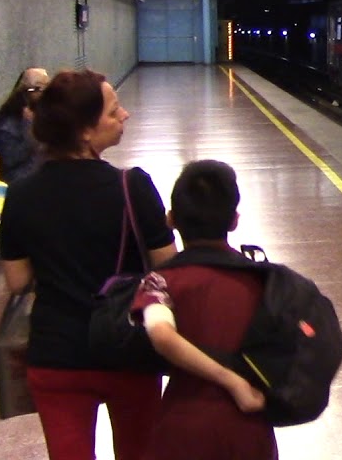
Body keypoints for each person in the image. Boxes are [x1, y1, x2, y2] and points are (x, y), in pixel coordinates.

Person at [0, 68, 177, 460]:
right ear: (83, 130)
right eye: (114, 111)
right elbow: (170, 266)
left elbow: (17, 280)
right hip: (127, 349)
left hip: (57, 354)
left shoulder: (22, 193)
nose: (125, 115)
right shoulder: (133, 186)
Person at [131, 160, 274, 460]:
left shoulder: (159, 281)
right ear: (234, 221)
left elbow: (162, 336)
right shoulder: (265, 279)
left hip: (183, 427)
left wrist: (227, 380)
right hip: (250, 427)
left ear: (170, 220)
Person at [0, 66, 49, 183]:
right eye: (42, 89)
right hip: (22, 184)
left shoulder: (42, 114)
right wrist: (30, 129)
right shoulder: (7, 125)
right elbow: (11, 159)